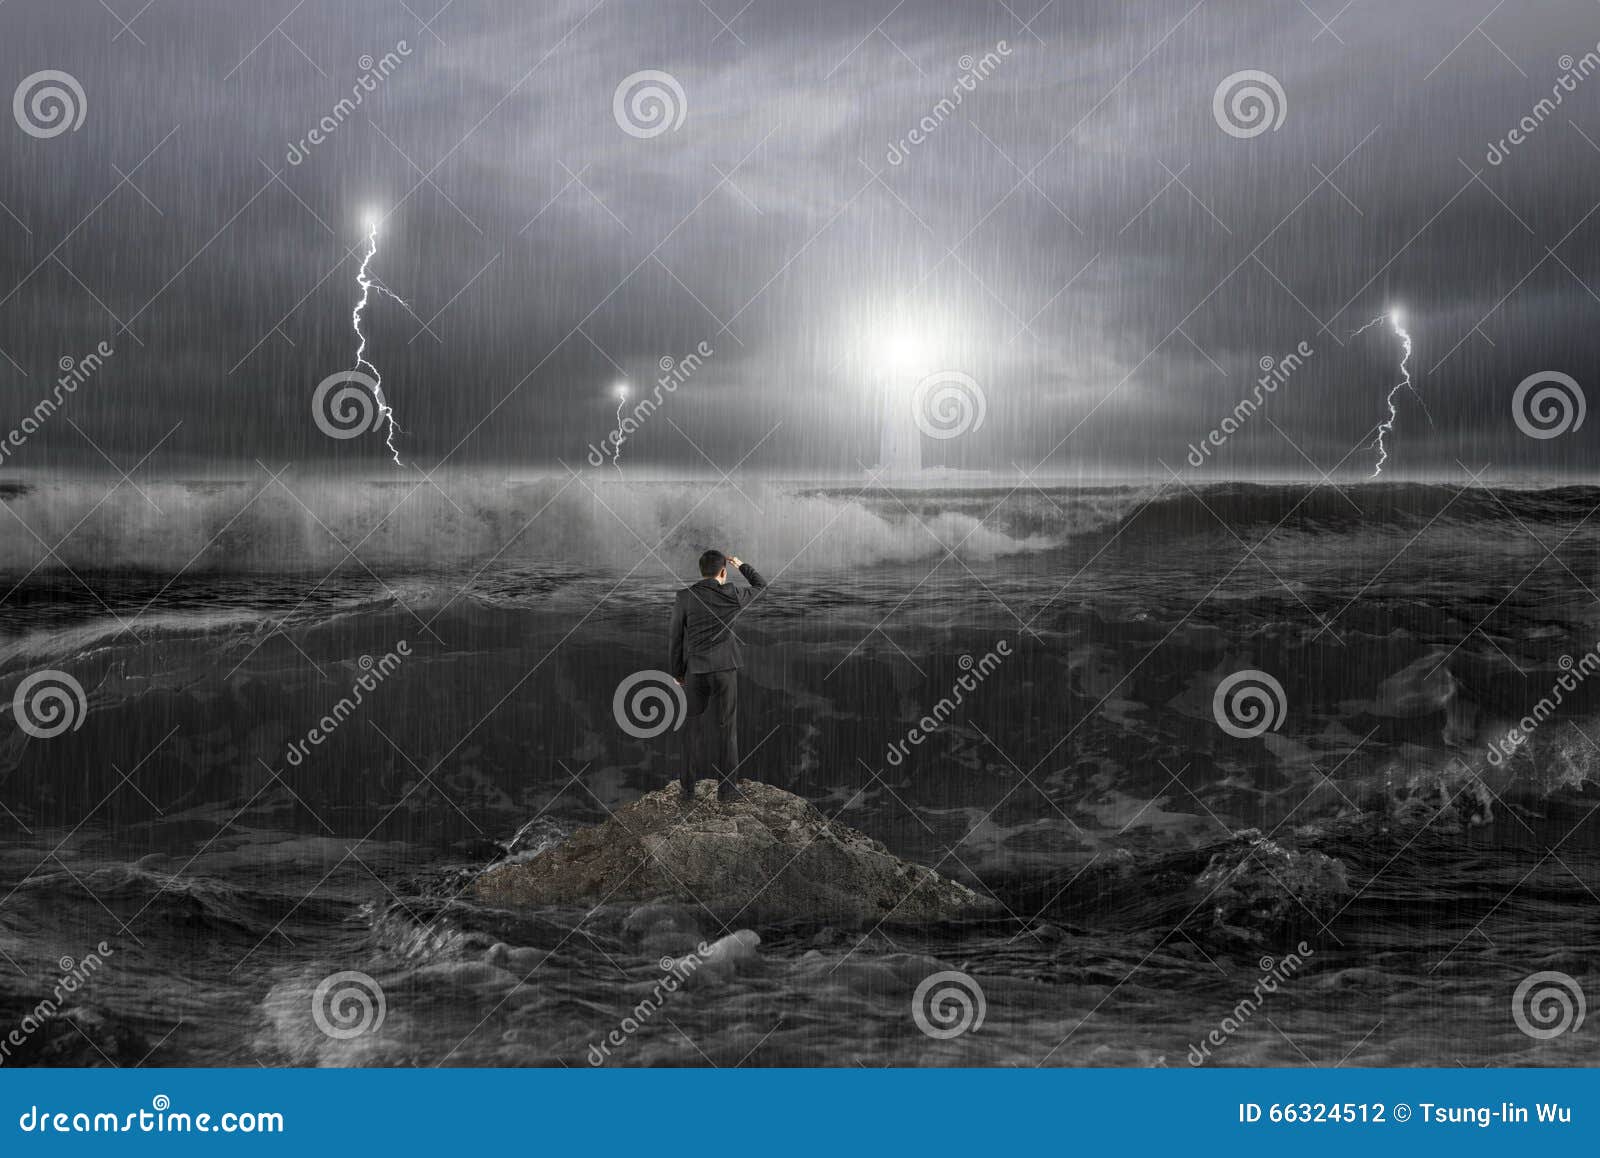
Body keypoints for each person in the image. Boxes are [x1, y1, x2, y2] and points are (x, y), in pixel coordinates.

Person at [668, 548, 767, 804]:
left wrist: (678, 672)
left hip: (695, 671)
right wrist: (741, 565)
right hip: (725, 669)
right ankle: (727, 791)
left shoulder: (684, 597)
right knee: (727, 729)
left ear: (701, 571)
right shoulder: (731, 594)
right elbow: (761, 586)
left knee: (690, 731)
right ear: (723, 572)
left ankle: (687, 792)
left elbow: (675, 638)